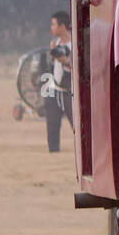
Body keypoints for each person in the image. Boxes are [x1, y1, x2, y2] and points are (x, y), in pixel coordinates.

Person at [44, 10, 73, 153]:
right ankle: (53, 151)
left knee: (77, 125)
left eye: (53, 24)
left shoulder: (75, 45)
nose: (52, 27)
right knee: (52, 126)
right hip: (54, 89)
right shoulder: (54, 44)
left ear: (62, 26)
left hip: (70, 92)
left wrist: (66, 62)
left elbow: (79, 69)